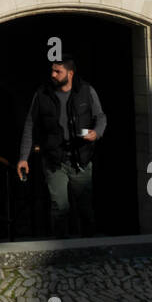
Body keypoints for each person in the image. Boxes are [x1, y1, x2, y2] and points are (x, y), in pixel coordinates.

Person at [17, 56, 106, 238]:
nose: (53, 74)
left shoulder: (86, 91)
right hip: (54, 159)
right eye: (52, 70)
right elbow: (30, 124)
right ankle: (62, 250)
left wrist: (96, 133)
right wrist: (23, 158)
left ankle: (89, 247)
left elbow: (100, 116)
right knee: (59, 207)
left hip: (80, 157)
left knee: (85, 207)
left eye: (58, 71)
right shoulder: (42, 94)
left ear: (70, 73)